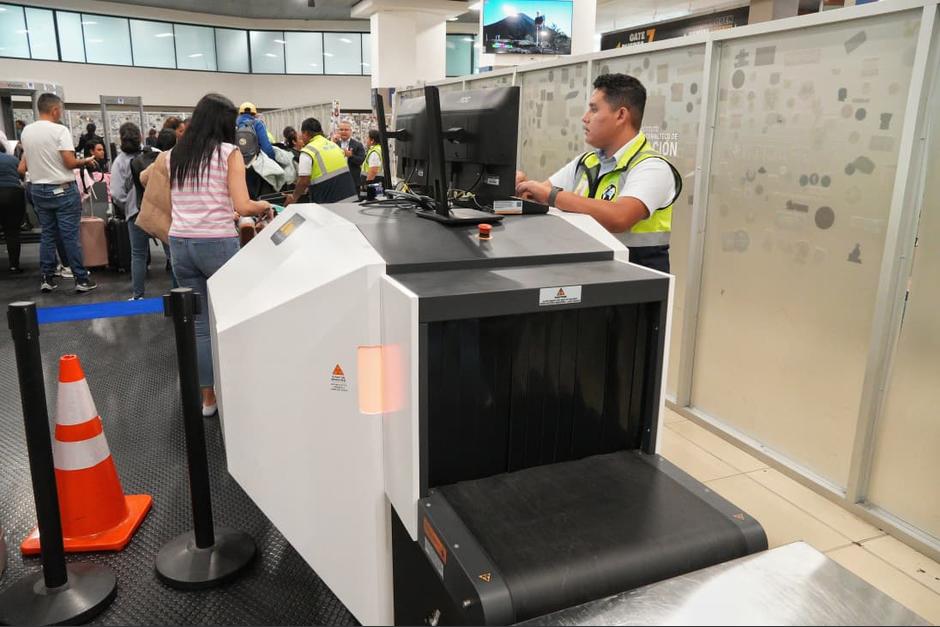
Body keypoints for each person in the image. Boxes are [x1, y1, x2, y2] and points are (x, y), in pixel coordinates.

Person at [167, 93, 271, 416]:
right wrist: (266, 205)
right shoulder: (229, 153)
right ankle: (240, 394)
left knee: (199, 326)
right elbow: (242, 206)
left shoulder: (176, 154)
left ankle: (208, 400)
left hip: (180, 244)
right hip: (216, 243)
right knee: (231, 320)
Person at [516, 73, 681, 272]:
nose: (585, 118)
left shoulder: (652, 167)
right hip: (590, 275)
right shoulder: (586, 162)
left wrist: (550, 195)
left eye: (594, 109)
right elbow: (540, 194)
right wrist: (522, 187)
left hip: (633, 284)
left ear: (621, 115)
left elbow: (620, 217)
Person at [18, 93, 98, 293]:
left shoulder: (27, 132)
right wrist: (86, 160)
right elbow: (69, 163)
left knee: (48, 234)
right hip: (62, 190)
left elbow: (22, 168)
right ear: (55, 110)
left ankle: (47, 277)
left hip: (37, 190)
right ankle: (81, 279)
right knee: (70, 236)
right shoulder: (60, 130)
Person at [284, 117, 356, 206]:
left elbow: (303, 181)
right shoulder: (333, 145)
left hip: (328, 202)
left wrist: (293, 198)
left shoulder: (308, 151)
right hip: (349, 197)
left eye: (302, 134)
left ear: (306, 133)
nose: (302, 137)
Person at [0, 142, 26, 273]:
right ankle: (14, 265)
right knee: (12, 232)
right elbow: (22, 175)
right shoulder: (13, 159)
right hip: (13, 194)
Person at [333, 120, 365, 188]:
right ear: (338, 131)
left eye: (346, 130)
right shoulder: (334, 145)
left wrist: (350, 156)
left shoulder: (358, 145)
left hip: (353, 181)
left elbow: (361, 160)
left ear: (350, 131)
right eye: (341, 129)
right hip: (337, 180)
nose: (343, 132)